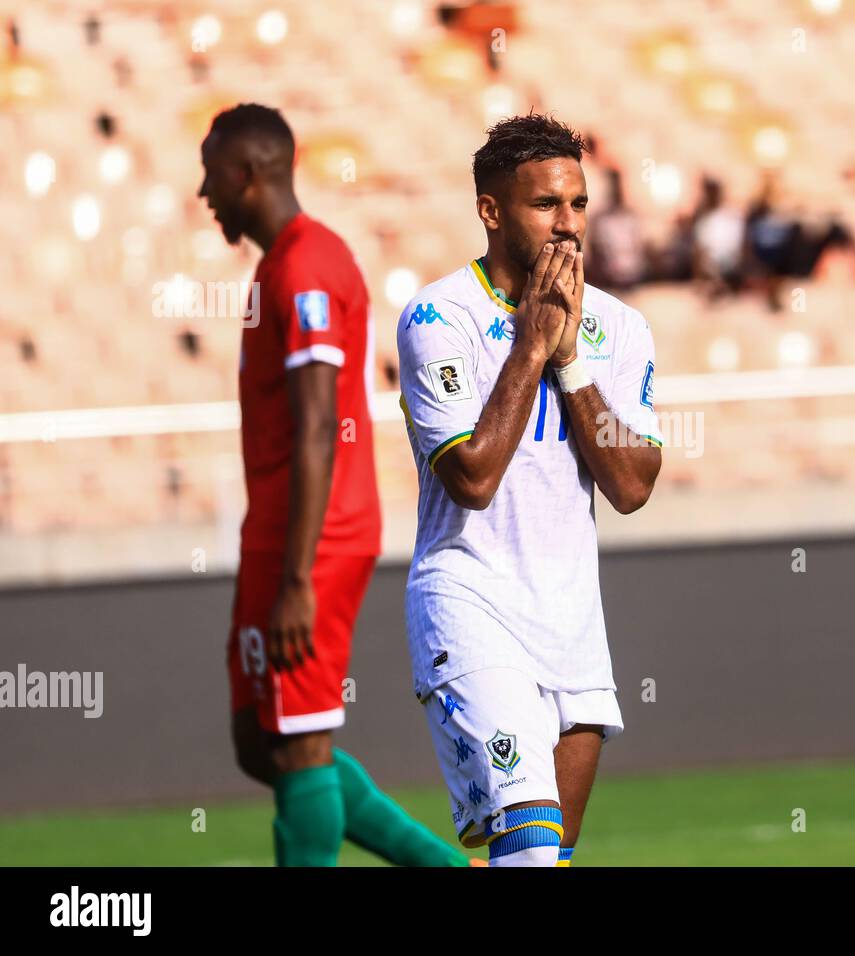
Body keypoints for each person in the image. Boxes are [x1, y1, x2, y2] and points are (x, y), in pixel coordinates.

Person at [199, 102, 467, 867]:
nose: (202, 192)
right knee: (263, 741)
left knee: (299, 744)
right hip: (280, 532)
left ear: (248, 173)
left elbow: (321, 423)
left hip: (312, 539)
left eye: (210, 172)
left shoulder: (310, 266)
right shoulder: (279, 265)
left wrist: (295, 578)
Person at [396, 113, 662, 866]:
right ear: (490, 210)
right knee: (532, 847)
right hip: (470, 601)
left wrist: (571, 360)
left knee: (545, 857)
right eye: (546, 205)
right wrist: (531, 344)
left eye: (578, 204)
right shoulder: (437, 317)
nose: (568, 224)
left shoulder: (619, 327)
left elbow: (633, 486)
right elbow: (472, 477)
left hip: (571, 620)